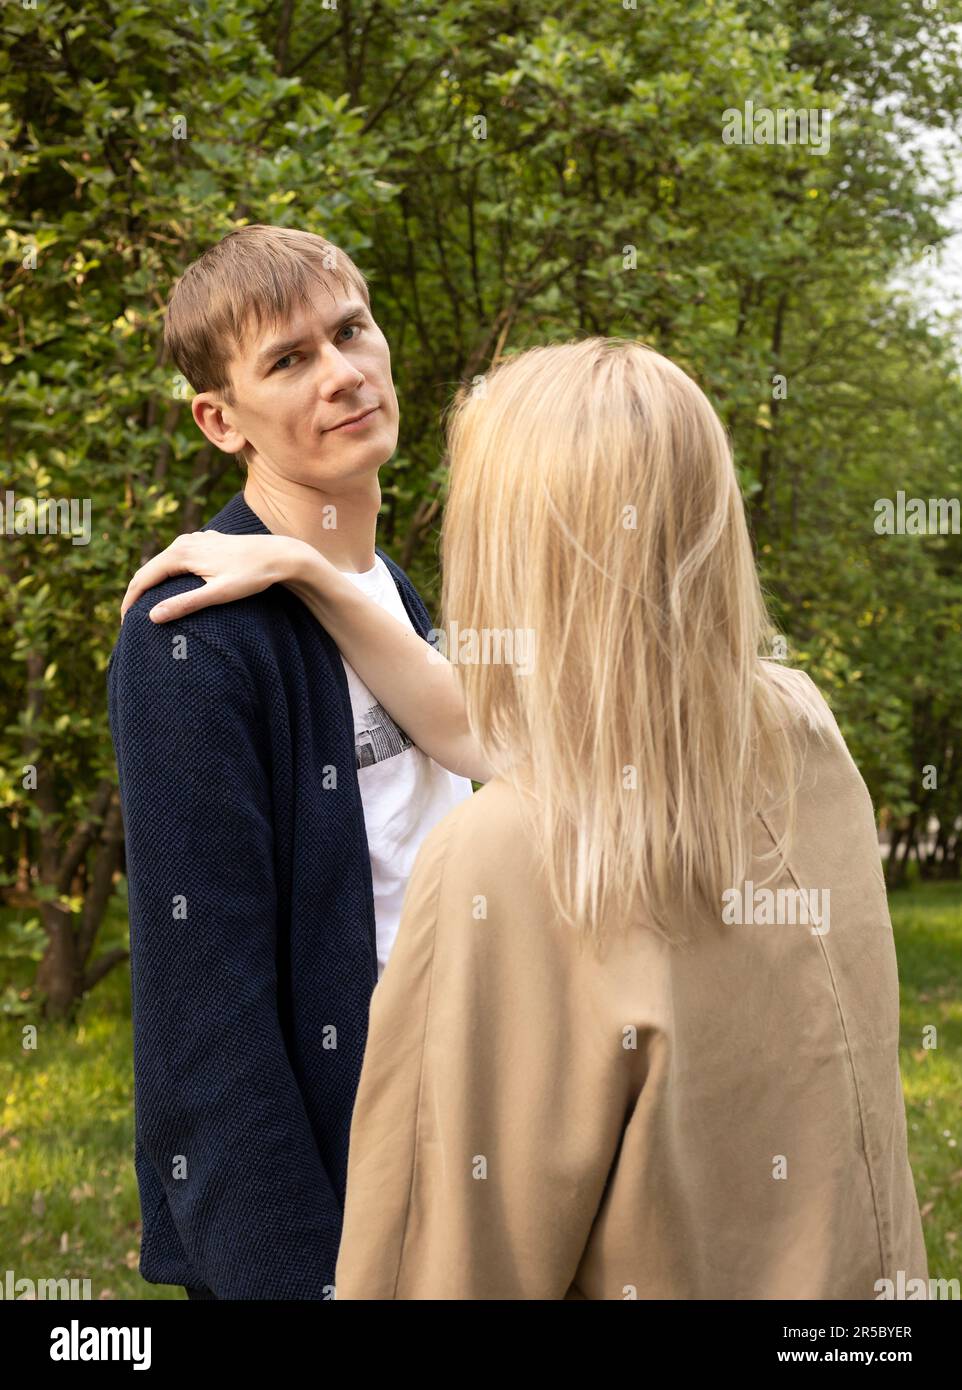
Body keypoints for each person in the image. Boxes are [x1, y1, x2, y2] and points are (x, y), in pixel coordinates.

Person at [128, 337, 929, 1300]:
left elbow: (457, 1270)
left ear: (519, 548)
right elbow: (210, 1036)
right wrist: (325, 578)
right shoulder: (799, 734)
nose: (341, 373)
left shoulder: (505, 853)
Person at [107, 224, 487, 1301]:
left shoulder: (394, 597)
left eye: (350, 331)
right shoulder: (190, 636)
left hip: (460, 1154)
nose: (342, 375)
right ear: (218, 419)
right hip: (337, 1205)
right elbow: (203, 1024)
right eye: (287, 359)